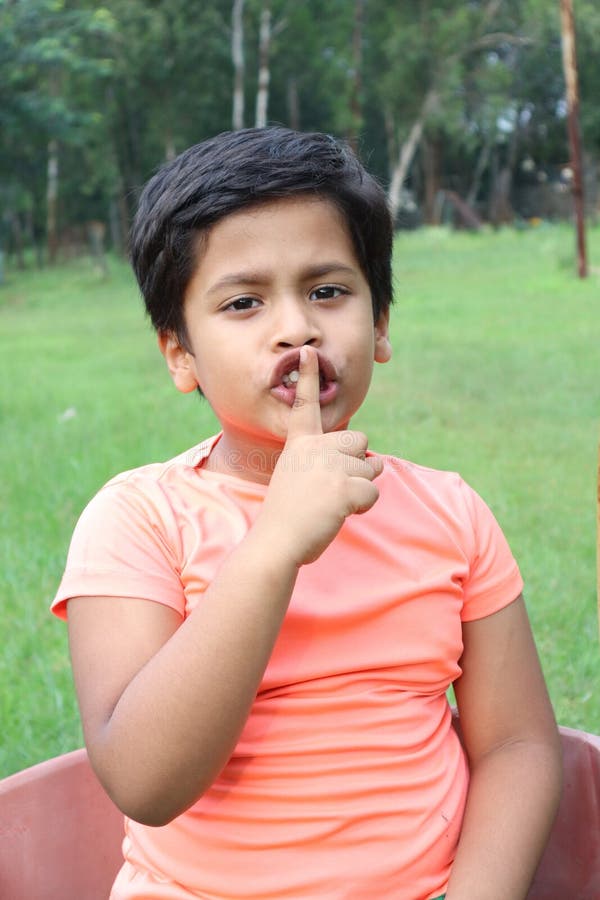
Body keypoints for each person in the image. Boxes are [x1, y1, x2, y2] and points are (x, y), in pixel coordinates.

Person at [52, 127, 562, 900]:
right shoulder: (138, 520)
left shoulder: (450, 514)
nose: (296, 327)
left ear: (380, 322)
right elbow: (144, 780)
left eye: (328, 290)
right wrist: (276, 544)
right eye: (244, 301)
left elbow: (518, 744)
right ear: (179, 354)